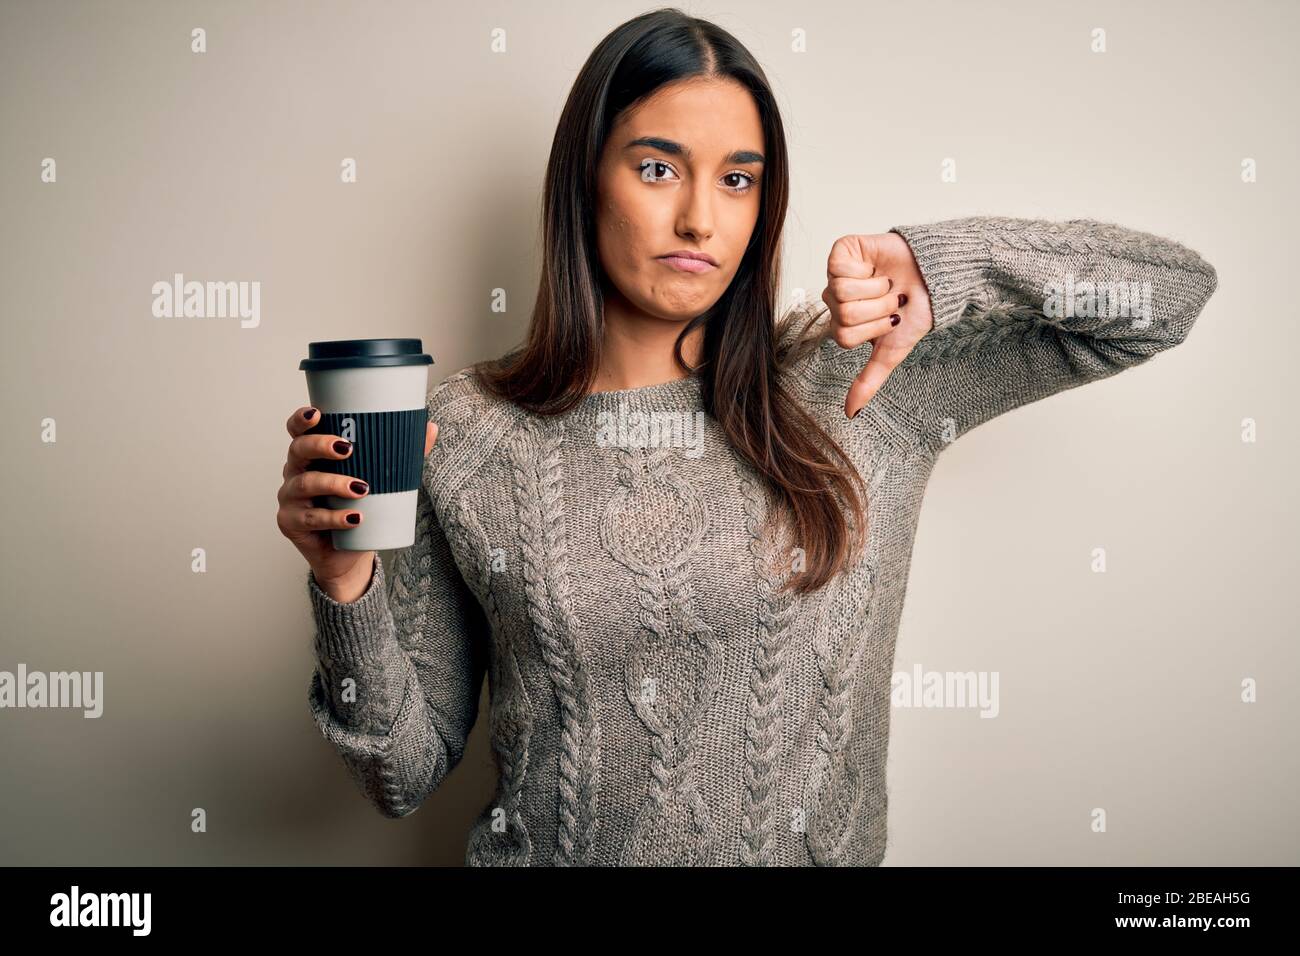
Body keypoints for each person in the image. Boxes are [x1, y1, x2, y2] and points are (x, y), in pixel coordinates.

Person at [274, 8, 1217, 866]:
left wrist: (944, 264)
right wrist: (342, 585)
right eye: (656, 168)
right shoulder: (470, 432)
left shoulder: (861, 379)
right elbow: (399, 776)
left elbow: (1168, 298)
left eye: (737, 180)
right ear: (583, 181)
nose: (699, 217)